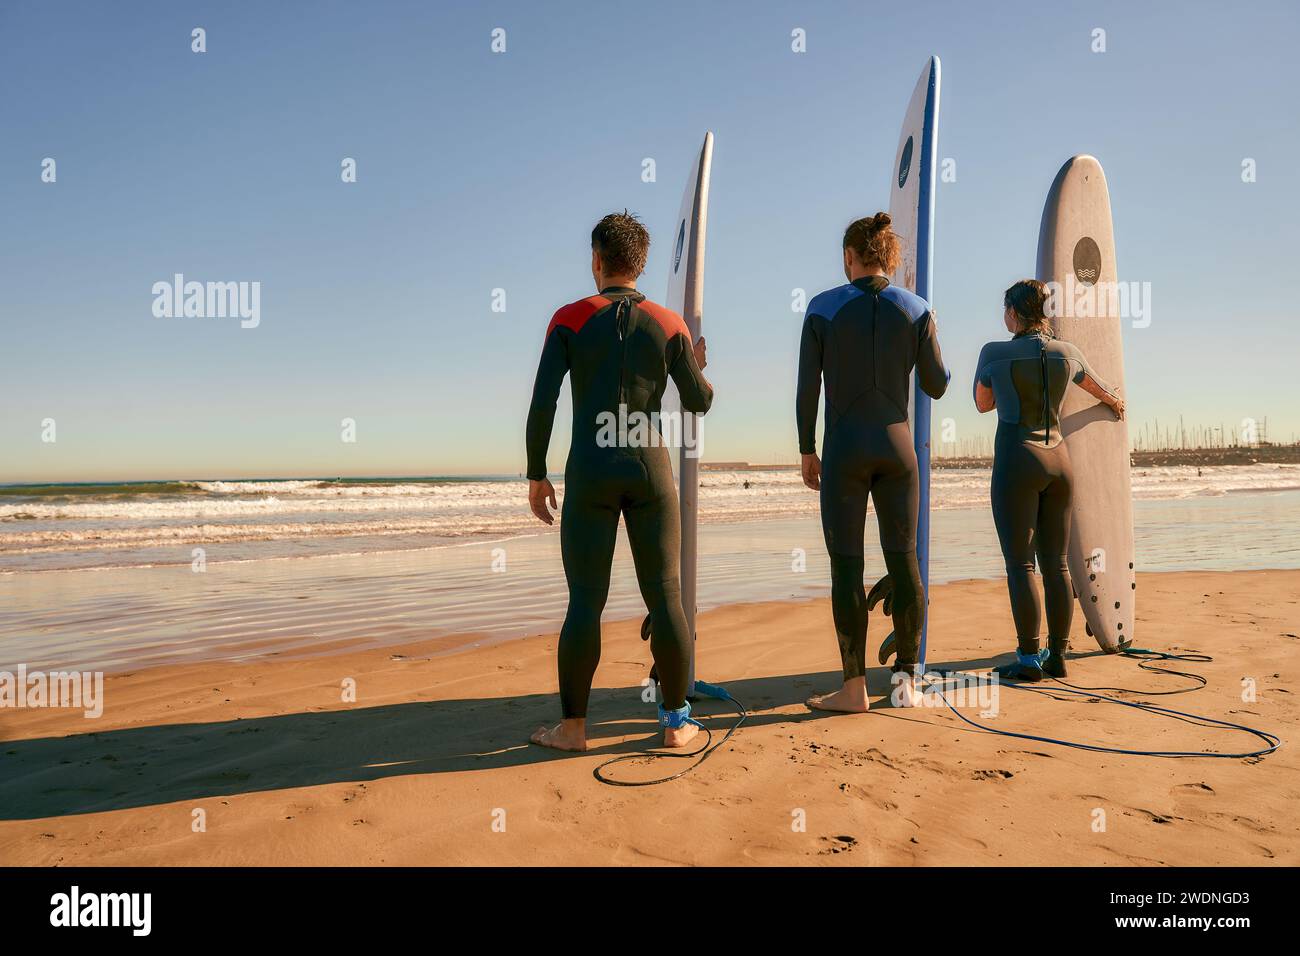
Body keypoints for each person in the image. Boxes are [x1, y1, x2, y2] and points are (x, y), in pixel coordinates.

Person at [525, 211, 714, 750]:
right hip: (651, 472)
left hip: (591, 468)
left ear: (597, 260)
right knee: (667, 599)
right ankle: (676, 726)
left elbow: (543, 404)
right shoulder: (670, 323)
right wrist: (698, 367)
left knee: (585, 601)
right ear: (641, 263)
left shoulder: (568, 318)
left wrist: (537, 474)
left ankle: (573, 730)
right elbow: (698, 401)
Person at [796, 213, 949, 711]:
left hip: (844, 451)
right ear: (890, 257)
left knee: (847, 569)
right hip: (898, 451)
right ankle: (906, 683)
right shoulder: (917, 308)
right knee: (905, 564)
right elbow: (937, 384)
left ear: (848, 257)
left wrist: (807, 449)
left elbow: (807, 390)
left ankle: (853, 688)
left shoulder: (822, 308)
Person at [973, 279, 1125, 680]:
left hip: (1017, 461)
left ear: (1012, 313)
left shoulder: (993, 352)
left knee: (1021, 565)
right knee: (1056, 564)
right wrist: (1114, 404)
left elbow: (982, 404)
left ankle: (1028, 660)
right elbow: (1103, 390)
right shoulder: (1068, 353)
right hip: (1060, 463)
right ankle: (1058, 657)